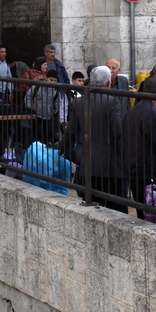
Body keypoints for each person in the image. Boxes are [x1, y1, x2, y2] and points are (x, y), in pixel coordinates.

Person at [59, 65, 129, 212]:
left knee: (93, 209)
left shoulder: (78, 102)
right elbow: (118, 133)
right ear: (109, 83)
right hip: (111, 167)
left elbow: (70, 133)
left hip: (88, 165)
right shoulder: (113, 101)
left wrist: (57, 150)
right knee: (117, 211)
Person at [123, 76, 156, 206]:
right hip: (146, 168)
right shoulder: (150, 112)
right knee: (150, 207)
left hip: (134, 166)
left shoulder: (134, 110)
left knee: (141, 205)